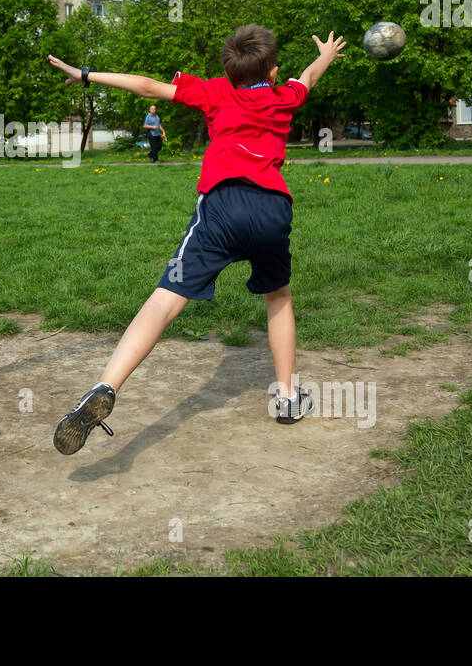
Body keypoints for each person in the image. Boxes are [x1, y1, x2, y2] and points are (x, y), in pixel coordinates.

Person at [45, 26, 346, 454]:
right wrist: (328, 53)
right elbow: (309, 77)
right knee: (278, 296)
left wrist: (86, 74)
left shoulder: (216, 92)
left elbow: (147, 86)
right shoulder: (284, 96)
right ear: (274, 71)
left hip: (222, 208)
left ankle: (106, 386)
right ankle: (286, 399)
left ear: (229, 69)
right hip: (273, 210)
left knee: (166, 298)